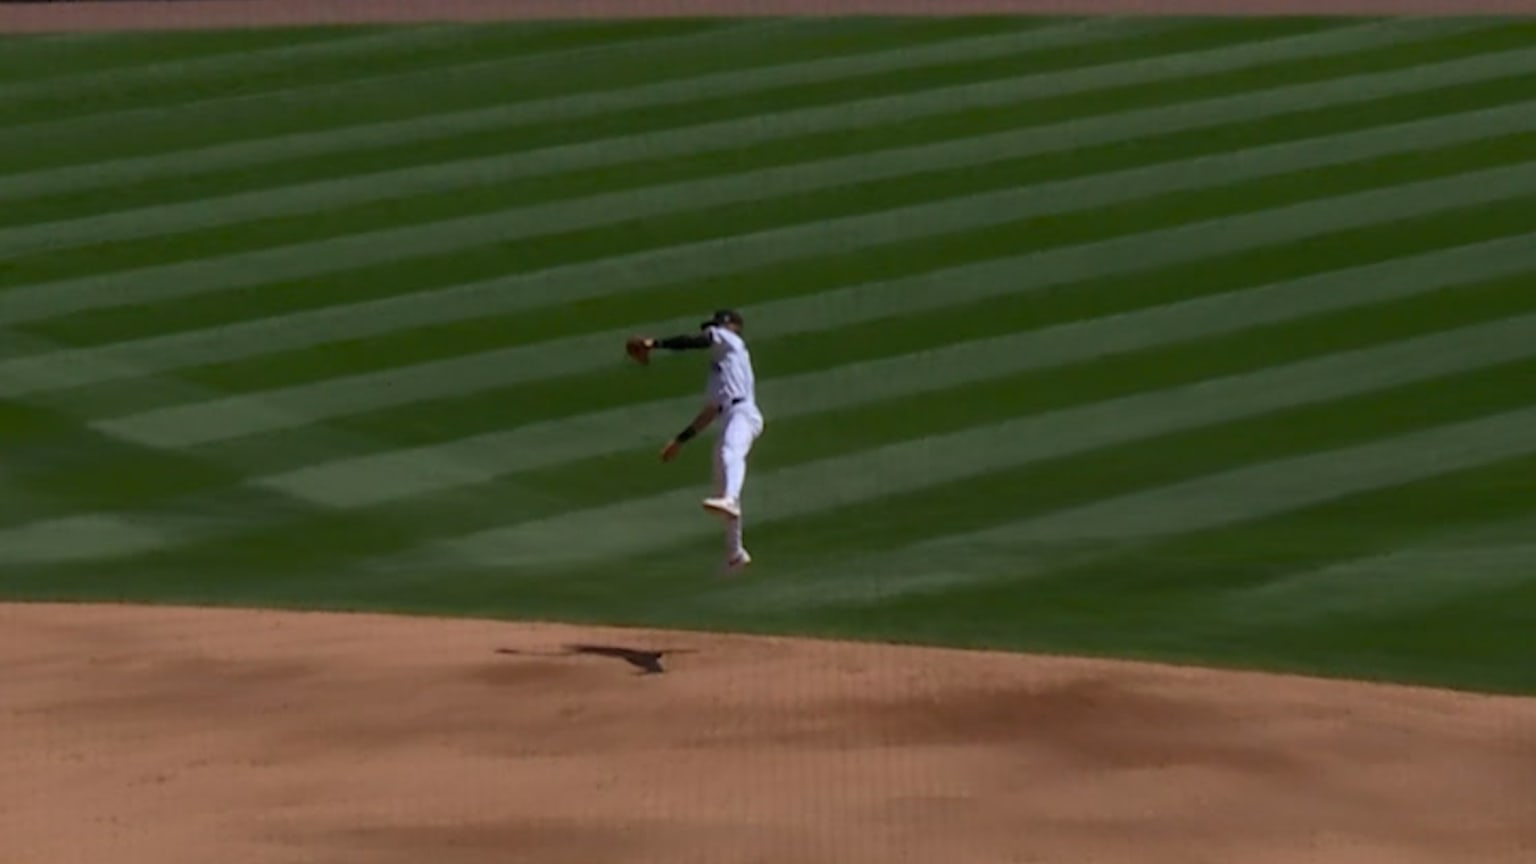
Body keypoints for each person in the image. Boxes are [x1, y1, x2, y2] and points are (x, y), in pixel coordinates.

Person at [632, 309, 764, 572]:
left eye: (714, 327)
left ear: (729, 326)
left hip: (744, 414)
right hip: (728, 417)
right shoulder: (719, 372)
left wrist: (654, 344)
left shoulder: (730, 341)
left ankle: (731, 499)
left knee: (730, 454)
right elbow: (710, 412)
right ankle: (735, 553)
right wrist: (680, 441)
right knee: (722, 476)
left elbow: (695, 342)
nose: (709, 331)